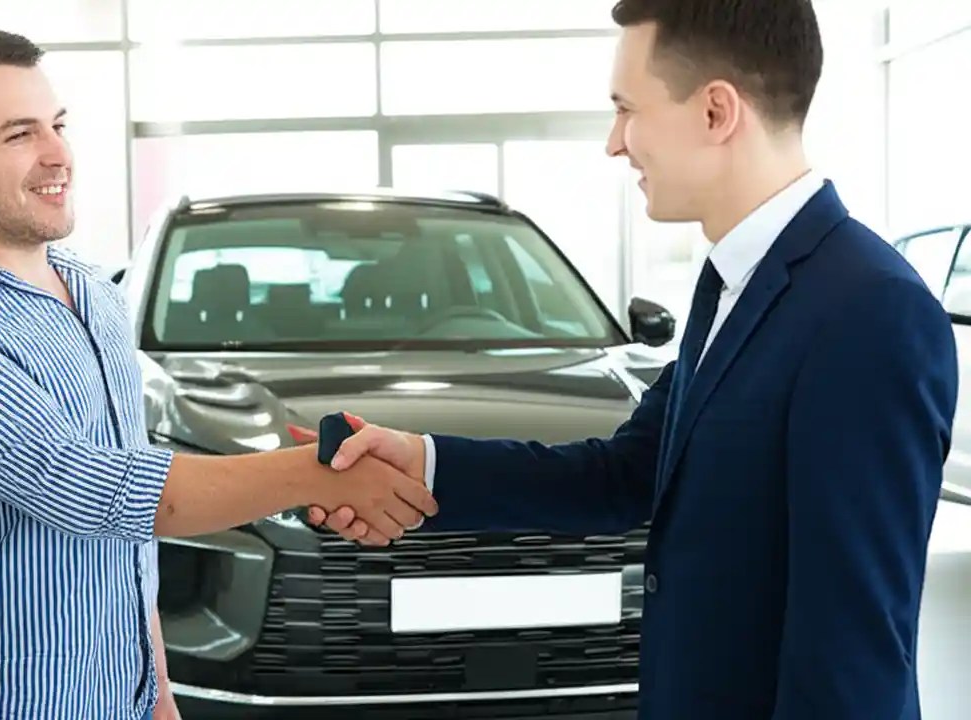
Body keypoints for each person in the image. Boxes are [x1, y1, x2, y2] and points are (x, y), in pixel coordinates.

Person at [306, 1, 959, 719]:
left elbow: (851, 654)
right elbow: (626, 473)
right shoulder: (734, 286)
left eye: (627, 110)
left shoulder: (869, 312)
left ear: (716, 113)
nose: (615, 144)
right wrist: (424, 461)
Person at [0, 30, 436, 720]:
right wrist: (314, 473)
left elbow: (133, 529)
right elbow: (85, 487)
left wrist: (159, 687)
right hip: (14, 699)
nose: (59, 154)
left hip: (125, 692)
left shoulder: (95, 293)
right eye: (20, 134)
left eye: (58, 125)